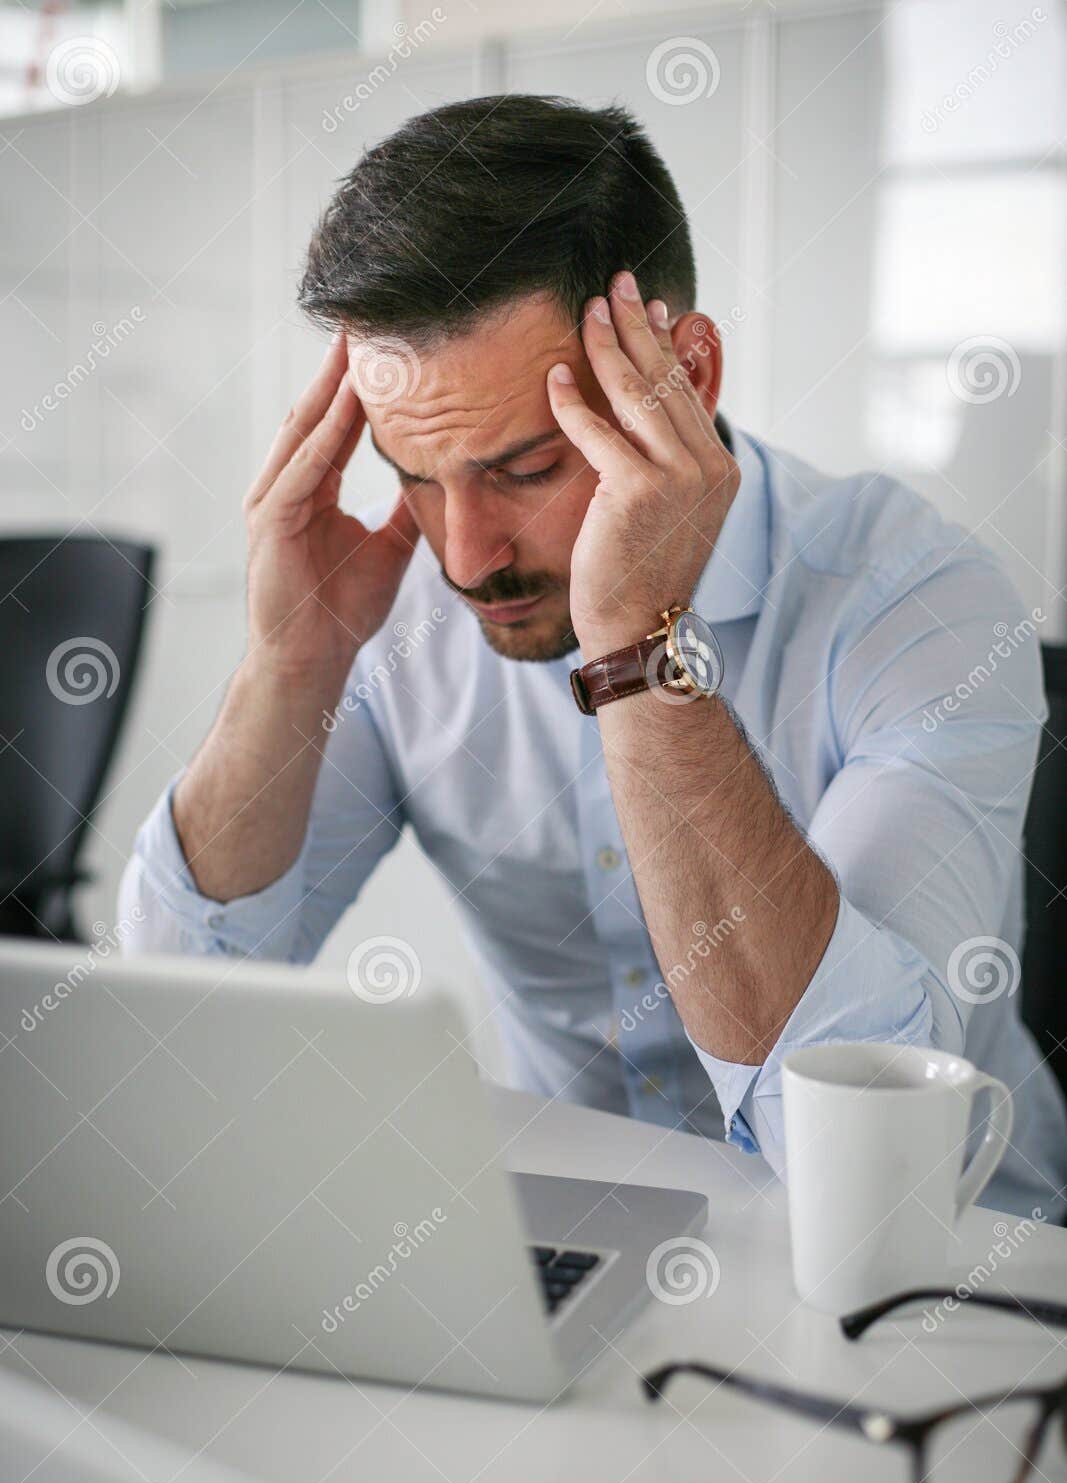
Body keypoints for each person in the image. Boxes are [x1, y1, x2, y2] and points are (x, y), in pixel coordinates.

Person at [120, 94, 1066, 1220]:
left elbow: (849, 1135)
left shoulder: (919, 601)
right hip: (573, 1250)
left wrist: (637, 649)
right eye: (416, 472)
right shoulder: (397, 609)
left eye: (524, 469)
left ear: (686, 379)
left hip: (943, 1286)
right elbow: (177, 1024)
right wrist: (291, 662)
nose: (465, 556)